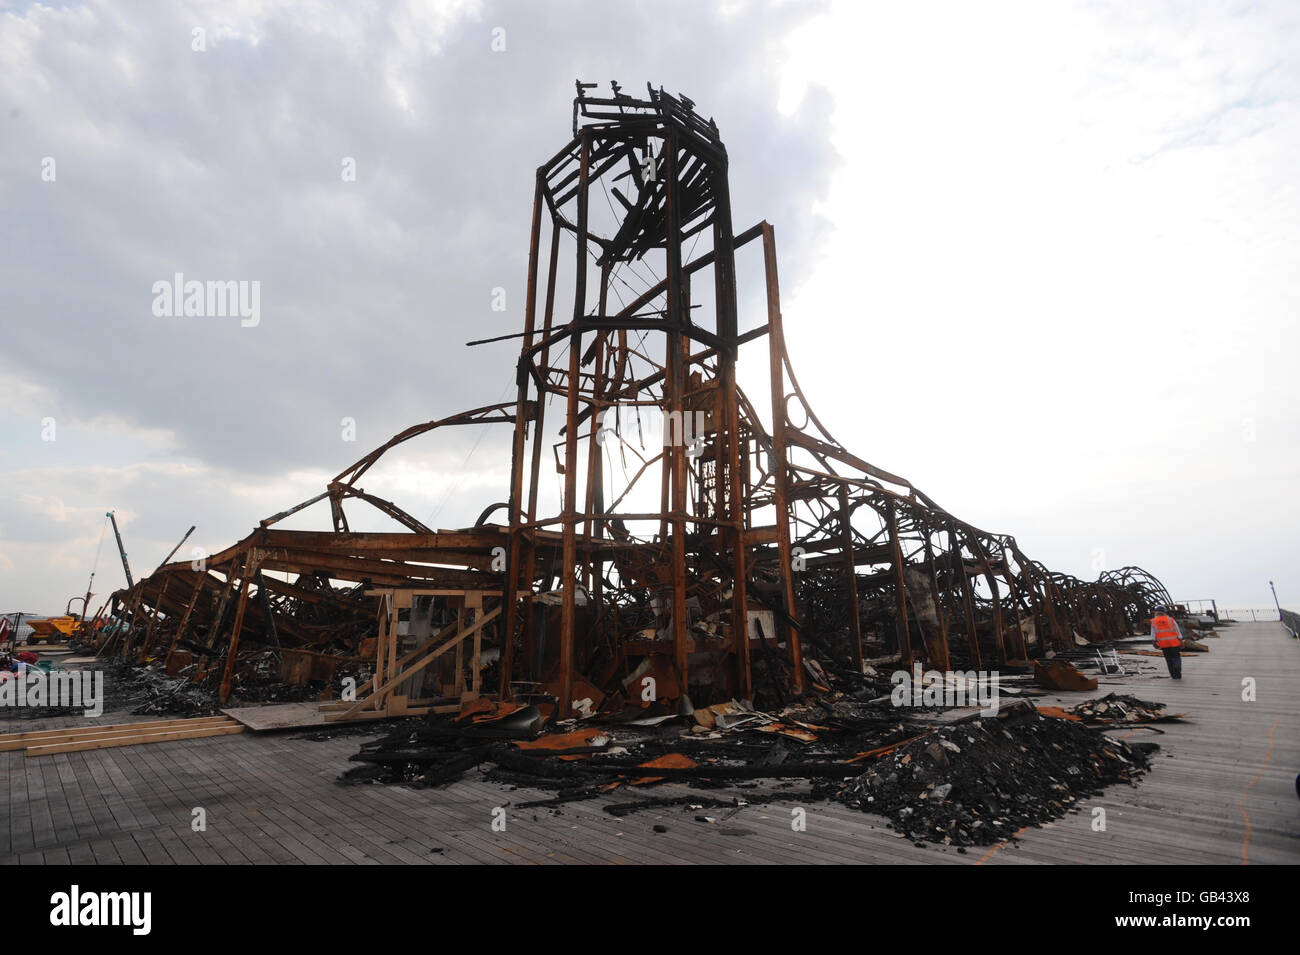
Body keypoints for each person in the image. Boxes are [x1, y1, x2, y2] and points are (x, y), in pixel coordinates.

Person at [1150, 606, 1183, 680]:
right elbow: (1177, 630)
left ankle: (1173, 675)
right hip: (1174, 642)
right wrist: (1180, 640)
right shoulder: (1171, 620)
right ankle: (1177, 669)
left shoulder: (1154, 621)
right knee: (1176, 657)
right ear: (1165, 612)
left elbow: (1153, 634)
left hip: (1164, 644)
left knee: (1168, 659)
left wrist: (1154, 643)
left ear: (1156, 612)